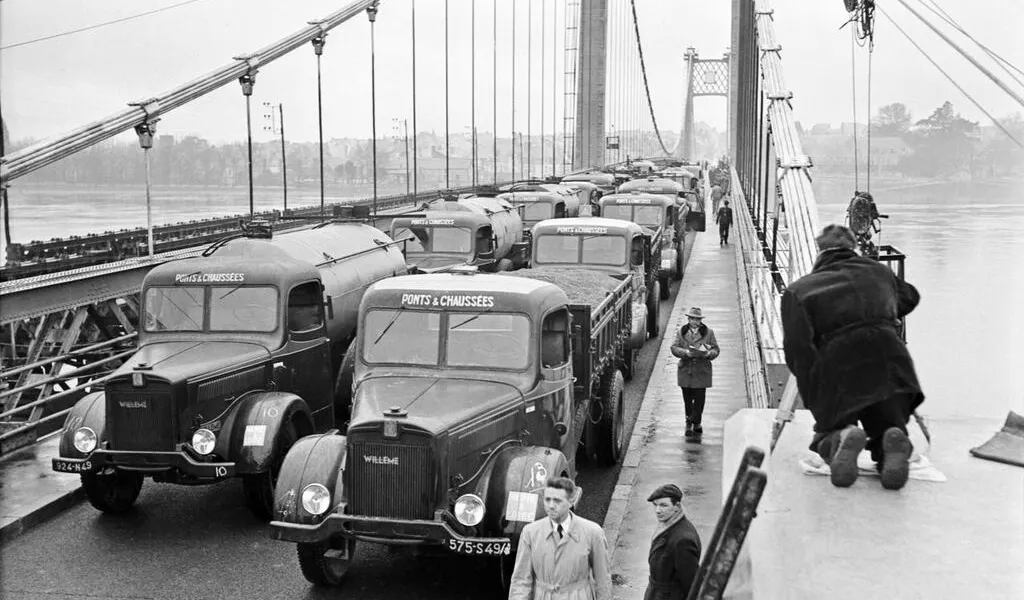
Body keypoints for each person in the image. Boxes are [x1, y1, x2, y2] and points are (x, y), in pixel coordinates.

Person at [781, 224, 924, 490]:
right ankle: (889, 444)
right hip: (890, 359)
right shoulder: (879, 272)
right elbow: (910, 299)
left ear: (819, 251)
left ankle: (841, 437)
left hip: (838, 364)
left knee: (832, 425)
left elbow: (798, 351)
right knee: (888, 422)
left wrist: (816, 394)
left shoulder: (799, 291)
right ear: (852, 248)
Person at [508, 477, 612, 600]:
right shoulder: (530, 533)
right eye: (547, 500)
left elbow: (602, 580)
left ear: (571, 501)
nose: (551, 506)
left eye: (557, 500)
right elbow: (521, 580)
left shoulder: (593, 533)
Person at [670, 307, 720, 441]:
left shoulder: (709, 333)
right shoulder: (682, 332)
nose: (695, 321)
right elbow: (674, 347)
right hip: (686, 370)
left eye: (697, 319)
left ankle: (696, 422)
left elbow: (716, 349)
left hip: (701, 370)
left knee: (699, 398)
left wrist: (709, 354)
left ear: (700, 320)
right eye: (692, 319)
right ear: (688, 319)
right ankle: (688, 422)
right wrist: (685, 353)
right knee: (687, 398)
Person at [645, 484, 702, 600]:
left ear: (677, 506)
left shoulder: (683, 540)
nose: (658, 510)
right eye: (655, 505)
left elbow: (690, 584)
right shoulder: (668, 525)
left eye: (663, 505)